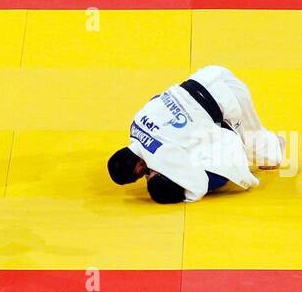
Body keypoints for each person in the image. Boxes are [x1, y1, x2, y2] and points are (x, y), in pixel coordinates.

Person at [106, 64, 284, 204]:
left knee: (263, 154)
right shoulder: (135, 123)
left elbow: (197, 184)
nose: (143, 175)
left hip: (230, 97)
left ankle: (277, 146)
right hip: (207, 75)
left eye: (139, 175)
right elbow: (156, 99)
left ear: (136, 168)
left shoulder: (160, 155)